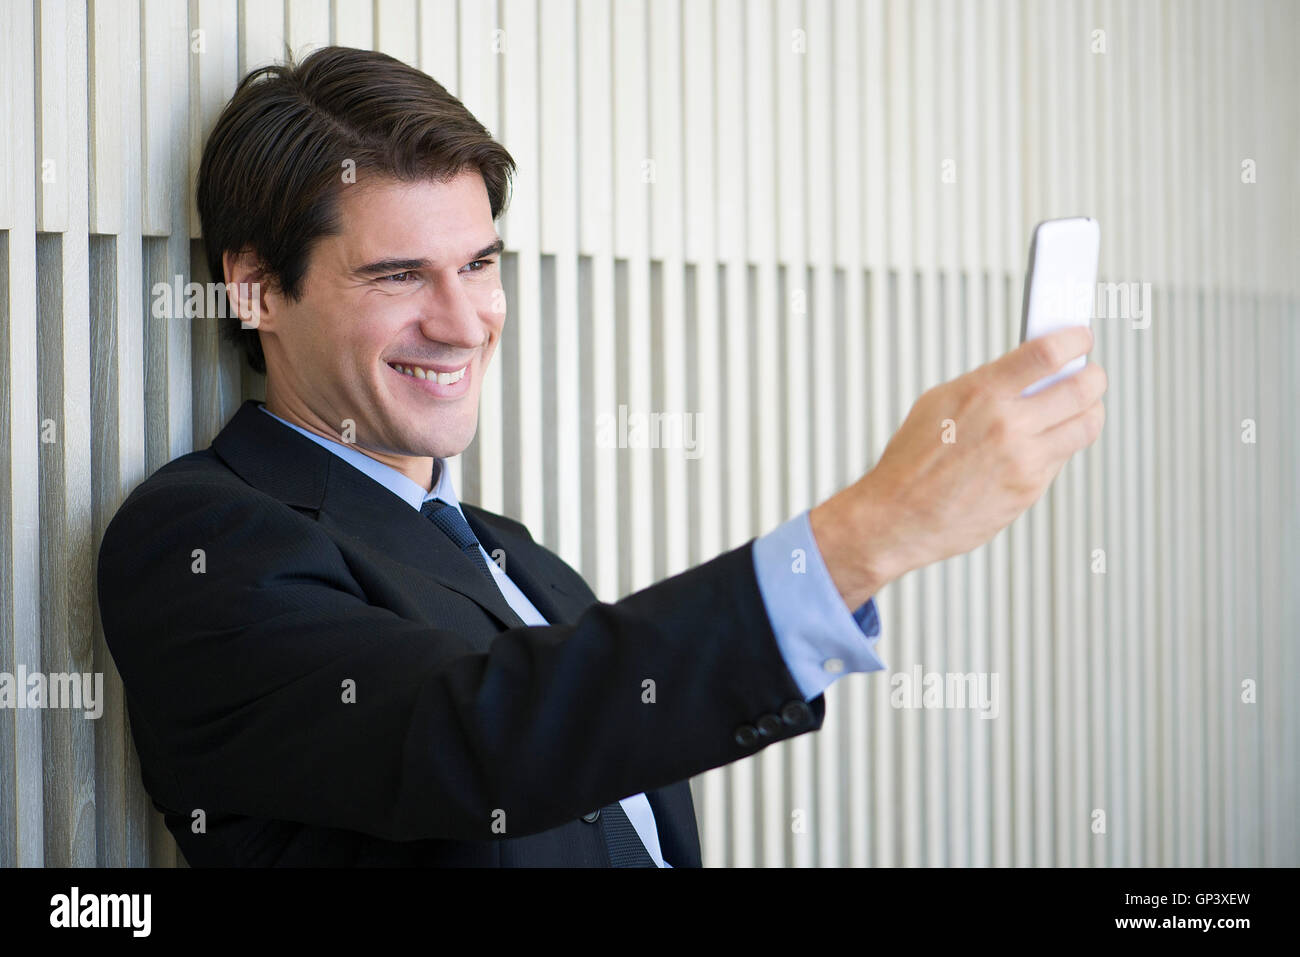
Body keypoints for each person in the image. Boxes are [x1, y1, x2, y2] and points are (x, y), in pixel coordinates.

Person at [96, 46, 1106, 867]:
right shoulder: (203, 538)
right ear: (256, 290)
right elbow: (474, 741)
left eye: (480, 265)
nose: (463, 322)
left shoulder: (522, 563)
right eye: (398, 276)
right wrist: (866, 536)